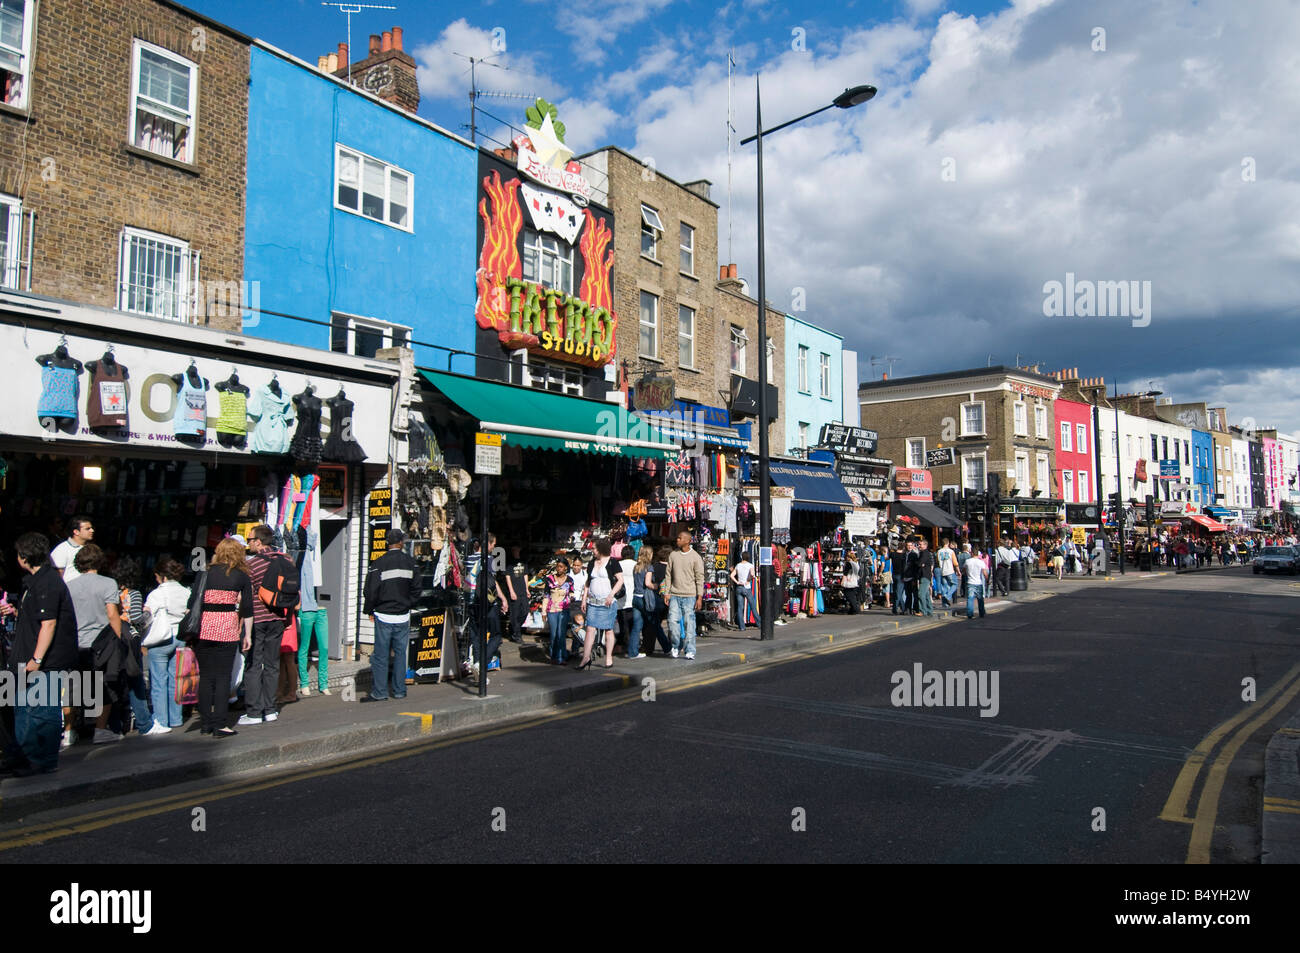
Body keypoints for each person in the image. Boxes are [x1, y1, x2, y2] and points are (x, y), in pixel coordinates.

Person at [1, 533, 79, 775]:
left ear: (24, 557)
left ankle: (42, 760)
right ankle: (23, 757)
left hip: (44, 661)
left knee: (43, 711)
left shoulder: (47, 582)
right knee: (24, 709)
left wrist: (37, 659)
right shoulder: (33, 582)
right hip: (26, 658)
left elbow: (49, 624)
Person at [193, 539, 254, 737]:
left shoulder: (204, 573)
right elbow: (247, 608)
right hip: (227, 627)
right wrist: (247, 635)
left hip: (204, 627)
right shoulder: (241, 575)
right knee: (222, 677)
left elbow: (192, 601)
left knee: (205, 676)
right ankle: (220, 724)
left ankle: (205, 723)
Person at [65, 544, 126, 745]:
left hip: (75, 644)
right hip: (101, 645)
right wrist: (119, 639)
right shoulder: (108, 583)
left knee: (73, 689)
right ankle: (100, 730)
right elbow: (112, 614)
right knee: (104, 688)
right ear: (100, 562)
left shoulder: (69, 586)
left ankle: (68, 732)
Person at [241, 524, 293, 725]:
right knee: (272, 664)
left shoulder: (252, 565)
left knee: (254, 665)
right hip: (278, 618)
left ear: (258, 541)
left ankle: (254, 712)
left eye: (250, 540)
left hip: (257, 619)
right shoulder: (285, 560)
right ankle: (270, 710)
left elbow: (246, 596)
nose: (248, 544)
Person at [362, 528, 421, 701]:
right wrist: (408, 604)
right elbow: (417, 589)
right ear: (401, 543)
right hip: (402, 615)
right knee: (400, 654)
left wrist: (369, 610)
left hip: (383, 615)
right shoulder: (411, 563)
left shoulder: (378, 563)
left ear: (388, 543)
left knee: (381, 656)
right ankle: (399, 690)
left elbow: (370, 591)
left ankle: (380, 692)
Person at [142, 558, 189, 732]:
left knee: (158, 682)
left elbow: (146, 616)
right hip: (180, 637)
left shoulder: (157, 594)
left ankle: (161, 720)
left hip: (161, 639)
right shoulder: (186, 592)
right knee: (176, 680)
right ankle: (176, 718)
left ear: (162, 576)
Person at [113, 555, 158, 737]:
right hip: (130, 641)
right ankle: (144, 723)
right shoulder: (134, 594)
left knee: (115, 682)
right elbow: (137, 619)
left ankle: (116, 724)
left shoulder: (112, 592)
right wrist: (148, 614)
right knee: (136, 681)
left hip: (114, 639)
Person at [578, 539, 623, 670]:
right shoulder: (592, 563)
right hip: (593, 602)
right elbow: (588, 582)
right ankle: (585, 658)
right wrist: (584, 599)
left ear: (601, 549)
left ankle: (609, 657)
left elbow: (620, 580)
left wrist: (611, 594)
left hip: (607, 601)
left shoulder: (612, 562)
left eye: (594, 548)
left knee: (608, 629)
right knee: (590, 629)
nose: (593, 551)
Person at [665, 531, 705, 660]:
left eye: (680, 538)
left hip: (690, 595)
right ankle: (676, 646)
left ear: (688, 541)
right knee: (672, 622)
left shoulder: (695, 557)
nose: (677, 539)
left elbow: (700, 578)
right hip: (674, 594)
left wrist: (699, 597)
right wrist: (667, 592)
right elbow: (668, 575)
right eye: (677, 537)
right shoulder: (673, 555)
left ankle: (690, 650)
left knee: (689, 624)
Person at [544, 558, 573, 664]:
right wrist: (543, 611)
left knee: (561, 633)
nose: (559, 569)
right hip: (552, 610)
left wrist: (572, 597)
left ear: (565, 568)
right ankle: (553, 656)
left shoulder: (569, 580)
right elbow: (546, 596)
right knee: (553, 634)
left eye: (561, 567)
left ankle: (561, 657)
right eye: (557, 566)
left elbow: (571, 592)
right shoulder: (549, 579)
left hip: (564, 609)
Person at [645, 546, 673, 655]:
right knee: (671, 623)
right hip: (670, 597)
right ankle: (671, 645)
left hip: (656, 597)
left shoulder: (654, 567)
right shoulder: (671, 568)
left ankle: (649, 647)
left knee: (654, 624)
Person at [627, 547, 654, 658]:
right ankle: (653, 647)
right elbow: (647, 583)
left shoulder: (636, 566)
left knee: (636, 626)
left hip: (635, 597)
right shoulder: (649, 567)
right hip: (644, 598)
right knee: (652, 623)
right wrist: (655, 586)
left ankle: (632, 652)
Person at [51, 515, 94, 583]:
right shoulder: (62, 549)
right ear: (76, 532)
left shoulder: (90, 548)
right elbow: (57, 576)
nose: (92, 530)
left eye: (91, 528)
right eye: (87, 529)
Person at [504, 548, 530, 645]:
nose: (515, 551)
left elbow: (525, 575)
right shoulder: (509, 563)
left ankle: (514, 628)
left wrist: (527, 589)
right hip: (514, 591)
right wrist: (511, 591)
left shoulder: (523, 562)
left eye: (517, 549)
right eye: (514, 550)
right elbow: (507, 577)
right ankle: (517, 635)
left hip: (522, 590)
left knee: (525, 611)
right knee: (515, 614)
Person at [731, 551, 760, 628]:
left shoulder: (738, 565)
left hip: (739, 587)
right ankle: (759, 623)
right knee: (753, 606)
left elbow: (732, 575)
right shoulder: (750, 565)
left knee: (740, 607)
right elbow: (752, 574)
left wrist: (737, 582)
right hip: (746, 587)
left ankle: (741, 626)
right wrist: (748, 580)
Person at [617, 548, 637, 653]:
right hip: (633, 596)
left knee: (622, 623)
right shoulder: (636, 565)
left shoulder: (618, 564)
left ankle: (623, 643)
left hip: (621, 597)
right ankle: (631, 644)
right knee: (632, 623)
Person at [963, 545, 989, 619]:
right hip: (978, 582)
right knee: (980, 599)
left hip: (970, 582)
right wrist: (987, 580)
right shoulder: (980, 562)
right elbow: (984, 573)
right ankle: (981, 613)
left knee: (970, 598)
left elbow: (964, 570)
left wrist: (965, 573)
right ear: (977, 554)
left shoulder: (967, 561)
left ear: (971, 553)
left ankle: (970, 614)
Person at [936, 539, 958, 606]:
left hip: (942, 570)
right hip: (950, 570)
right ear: (948, 543)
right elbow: (955, 563)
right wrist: (958, 570)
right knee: (955, 584)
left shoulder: (939, 551)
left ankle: (945, 604)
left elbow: (937, 561)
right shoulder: (951, 551)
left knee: (945, 586)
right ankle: (948, 596)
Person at [902, 538, 921, 615]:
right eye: (908, 545)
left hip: (912, 577)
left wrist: (915, 577)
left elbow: (916, 566)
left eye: (910, 545)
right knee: (908, 594)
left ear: (913, 546)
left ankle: (916, 609)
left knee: (915, 594)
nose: (909, 547)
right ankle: (908, 608)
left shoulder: (914, 555)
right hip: (905, 576)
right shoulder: (904, 554)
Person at [917, 538, 935, 617]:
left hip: (925, 575)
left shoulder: (925, 553)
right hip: (924, 575)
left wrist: (919, 563)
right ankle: (929, 610)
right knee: (927, 595)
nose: (919, 546)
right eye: (919, 544)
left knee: (921, 594)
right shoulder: (923, 553)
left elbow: (920, 563)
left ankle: (923, 611)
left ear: (925, 545)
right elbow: (921, 564)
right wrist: (920, 564)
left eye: (920, 544)